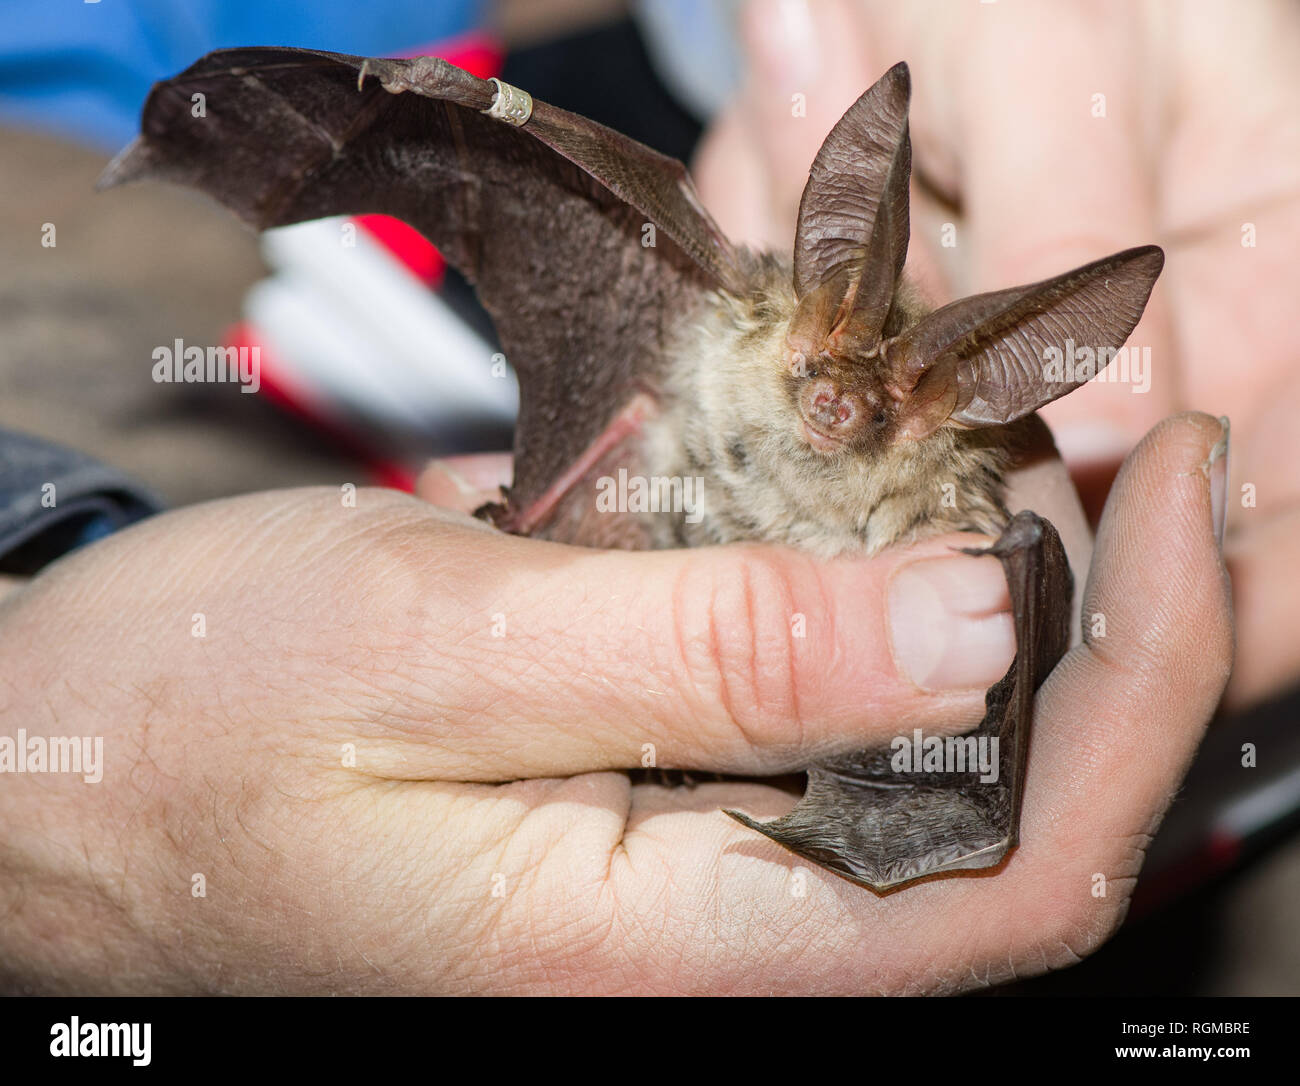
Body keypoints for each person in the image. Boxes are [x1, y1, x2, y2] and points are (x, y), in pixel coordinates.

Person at [0, 0, 1259, 994]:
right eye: (831, 371)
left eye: (874, 399)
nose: (838, 400)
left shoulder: (951, 509)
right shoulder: (713, 317)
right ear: (815, 306)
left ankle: (883, 816)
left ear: (932, 407)